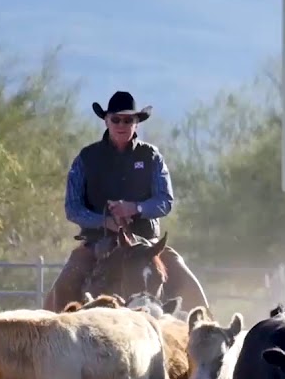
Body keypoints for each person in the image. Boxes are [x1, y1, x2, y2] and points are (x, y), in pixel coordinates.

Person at [43, 90, 207, 311]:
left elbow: (165, 201)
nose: (122, 124)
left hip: (147, 244)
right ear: (106, 121)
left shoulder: (152, 157)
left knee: (185, 278)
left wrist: (135, 208)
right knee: (66, 284)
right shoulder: (86, 158)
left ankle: (207, 326)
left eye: (128, 120)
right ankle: (53, 328)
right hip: (97, 243)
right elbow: (73, 208)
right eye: (116, 119)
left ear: (136, 123)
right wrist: (105, 221)